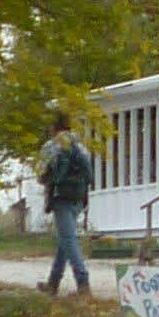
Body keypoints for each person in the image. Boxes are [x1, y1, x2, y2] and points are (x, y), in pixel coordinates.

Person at [36, 112, 94, 297]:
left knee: (68, 240)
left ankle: (83, 282)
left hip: (61, 197)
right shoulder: (80, 145)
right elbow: (88, 172)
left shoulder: (51, 146)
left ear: (54, 128)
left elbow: (41, 174)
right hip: (78, 197)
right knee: (64, 240)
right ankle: (53, 283)